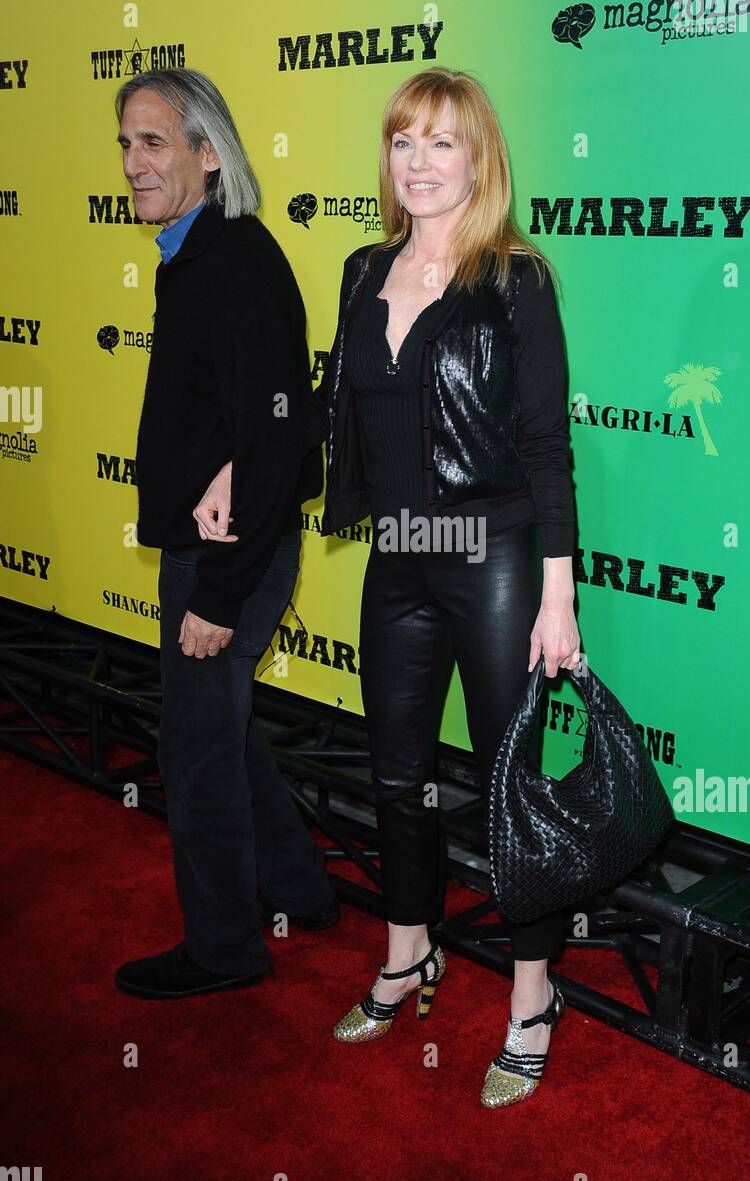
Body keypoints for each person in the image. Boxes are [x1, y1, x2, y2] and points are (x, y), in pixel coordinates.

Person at [199, 67, 581, 1106]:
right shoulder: (362, 269)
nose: (418, 162)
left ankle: (534, 995)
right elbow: (332, 416)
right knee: (396, 777)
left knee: (512, 793)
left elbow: (546, 446)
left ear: (479, 158)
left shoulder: (515, 278)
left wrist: (559, 597)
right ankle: (409, 950)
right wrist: (244, 466)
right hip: (399, 560)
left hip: (498, 561)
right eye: (403, 141)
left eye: (441, 143)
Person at [113, 67, 339, 1001]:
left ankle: (225, 947)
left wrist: (216, 589)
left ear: (210, 154)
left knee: (197, 751)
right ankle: (299, 891)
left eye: (153, 141)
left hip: (227, 557)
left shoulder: (235, 260)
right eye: (125, 143)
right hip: (220, 546)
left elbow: (280, 432)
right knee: (228, 734)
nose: (133, 162)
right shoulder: (194, 255)